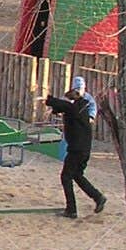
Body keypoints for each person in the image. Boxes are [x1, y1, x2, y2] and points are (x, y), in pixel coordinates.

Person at [45, 78, 106, 219]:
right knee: (77, 175)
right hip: (83, 148)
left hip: (77, 149)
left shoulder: (79, 106)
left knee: (66, 176)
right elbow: (65, 107)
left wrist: (49, 100)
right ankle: (98, 197)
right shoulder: (81, 105)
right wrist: (55, 109)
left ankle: (71, 209)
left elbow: (67, 107)